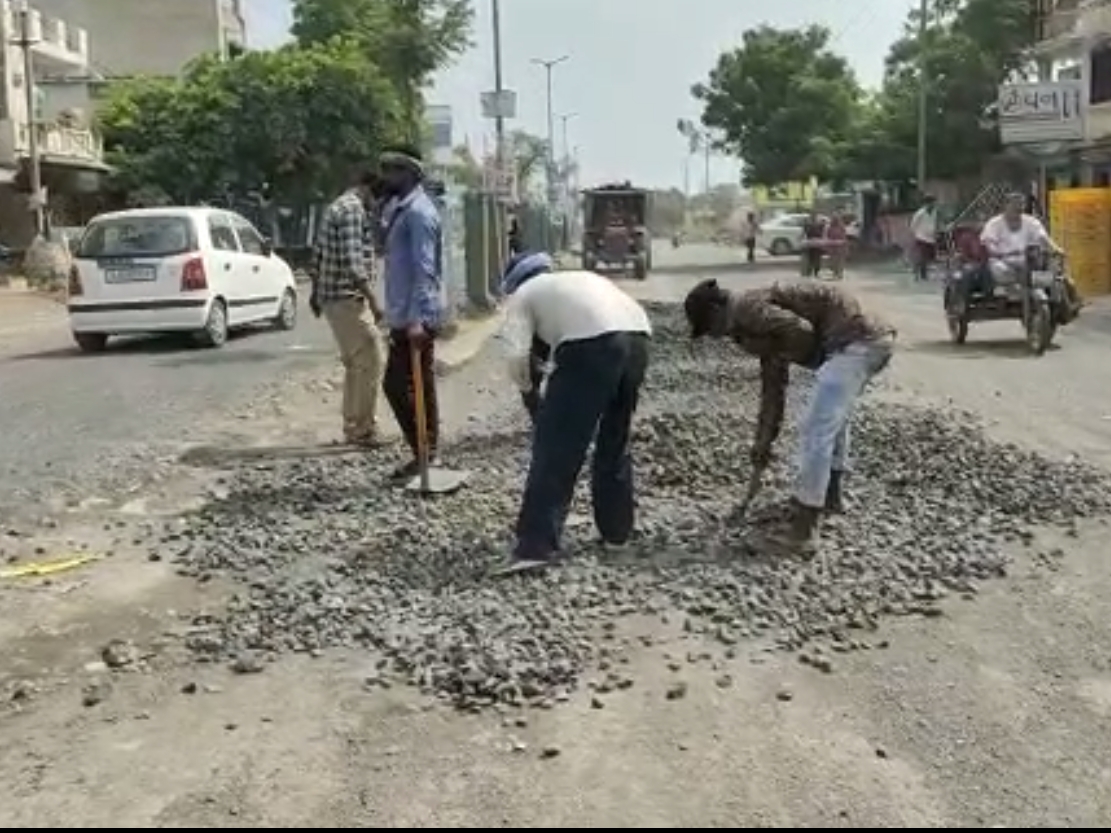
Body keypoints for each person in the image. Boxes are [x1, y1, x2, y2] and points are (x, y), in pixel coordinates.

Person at [683, 278, 895, 551]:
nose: (717, 337)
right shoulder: (758, 322)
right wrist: (763, 442)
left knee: (815, 429)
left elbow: (800, 330)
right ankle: (829, 498)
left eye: (711, 329)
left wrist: (787, 353)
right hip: (871, 338)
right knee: (833, 422)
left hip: (855, 341)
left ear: (717, 311)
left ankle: (804, 529)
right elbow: (773, 395)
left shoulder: (746, 309)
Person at [497, 252, 652, 574]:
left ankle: (536, 545)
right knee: (614, 439)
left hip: (591, 343)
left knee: (556, 449)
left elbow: (517, 357)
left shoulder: (523, 295)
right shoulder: (572, 281)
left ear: (513, 284)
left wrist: (531, 398)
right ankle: (616, 533)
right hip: (638, 336)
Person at [377, 145, 445, 480]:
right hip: (403, 314)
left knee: (404, 384)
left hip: (416, 316)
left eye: (393, 169)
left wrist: (419, 318)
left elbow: (424, 268)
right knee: (410, 384)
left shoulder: (418, 213)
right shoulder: (399, 209)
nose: (386, 175)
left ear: (410, 173)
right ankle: (424, 450)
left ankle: (426, 450)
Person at [309, 168, 386, 448]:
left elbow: (317, 255)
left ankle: (354, 426)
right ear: (369, 190)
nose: (376, 207)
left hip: (334, 298)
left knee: (356, 364)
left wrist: (317, 294)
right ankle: (362, 429)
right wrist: (375, 302)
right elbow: (355, 264)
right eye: (377, 200)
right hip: (347, 298)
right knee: (372, 360)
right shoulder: (353, 210)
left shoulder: (335, 206)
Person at [909, 195, 938, 281]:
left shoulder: (934, 212)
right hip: (921, 237)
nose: (933, 204)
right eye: (931, 203)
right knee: (922, 257)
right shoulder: (920, 213)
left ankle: (922, 272)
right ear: (926, 203)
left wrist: (935, 232)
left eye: (934, 203)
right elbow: (913, 224)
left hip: (930, 237)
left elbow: (934, 223)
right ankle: (919, 273)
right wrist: (915, 234)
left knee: (929, 257)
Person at [824, 208, 848, 280]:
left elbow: (844, 236)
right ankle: (835, 273)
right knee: (833, 261)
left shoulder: (841, 227)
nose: (834, 219)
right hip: (832, 246)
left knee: (840, 260)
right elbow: (827, 236)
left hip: (840, 246)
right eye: (833, 218)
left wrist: (842, 242)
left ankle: (839, 274)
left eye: (836, 218)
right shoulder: (830, 227)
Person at [800, 211, 824, 277]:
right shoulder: (808, 224)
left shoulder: (819, 224)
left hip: (815, 243)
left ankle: (814, 272)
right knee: (813, 258)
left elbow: (822, 233)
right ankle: (811, 271)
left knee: (815, 258)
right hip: (812, 243)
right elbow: (804, 233)